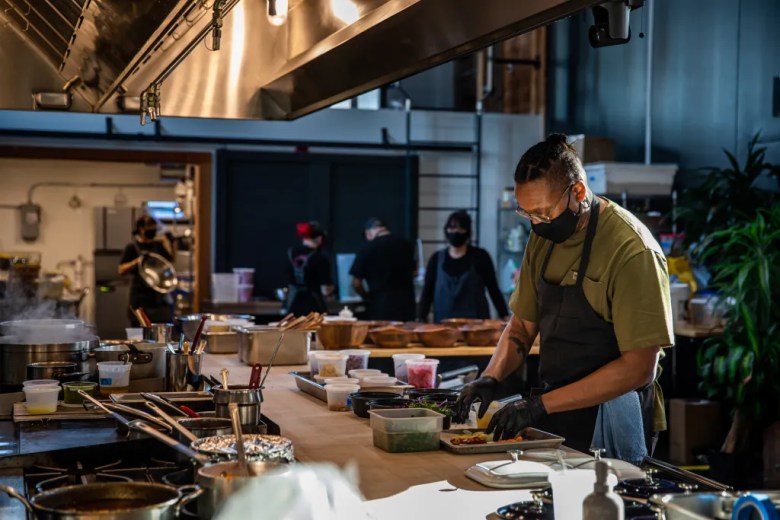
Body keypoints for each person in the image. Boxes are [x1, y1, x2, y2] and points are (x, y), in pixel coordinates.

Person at [453, 134, 673, 464]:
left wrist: (540, 405)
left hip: (613, 418)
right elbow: (522, 327)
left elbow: (639, 367)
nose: (537, 224)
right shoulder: (543, 238)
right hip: (556, 409)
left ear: (578, 192)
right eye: (528, 215)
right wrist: (490, 377)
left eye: (543, 213)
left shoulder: (631, 250)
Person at [417, 210, 509, 323]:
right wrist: (421, 317)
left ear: (468, 232)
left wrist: (504, 315)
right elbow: (427, 292)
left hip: (477, 325)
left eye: (460, 229)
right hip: (443, 326)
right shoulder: (436, 259)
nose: (455, 232)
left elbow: (493, 288)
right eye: (451, 228)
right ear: (446, 230)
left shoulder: (481, 257)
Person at [349, 218, 416, 321]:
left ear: (369, 233)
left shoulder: (367, 248)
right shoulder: (407, 244)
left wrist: (366, 296)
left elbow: (356, 283)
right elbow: (414, 273)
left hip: (380, 306)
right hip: (406, 305)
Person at [118, 215, 175, 326]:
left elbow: (170, 262)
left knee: (159, 333)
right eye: (149, 227)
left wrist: (171, 243)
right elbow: (120, 270)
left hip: (157, 299)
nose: (152, 230)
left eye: (154, 227)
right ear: (141, 228)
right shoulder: (132, 247)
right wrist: (137, 261)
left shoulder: (158, 246)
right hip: (140, 299)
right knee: (139, 332)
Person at [285, 221, 334, 316]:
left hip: (292, 305)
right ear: (320, 238)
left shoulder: (290, 253)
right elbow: (325, 289)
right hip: (313, 305)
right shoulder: (320, 258)